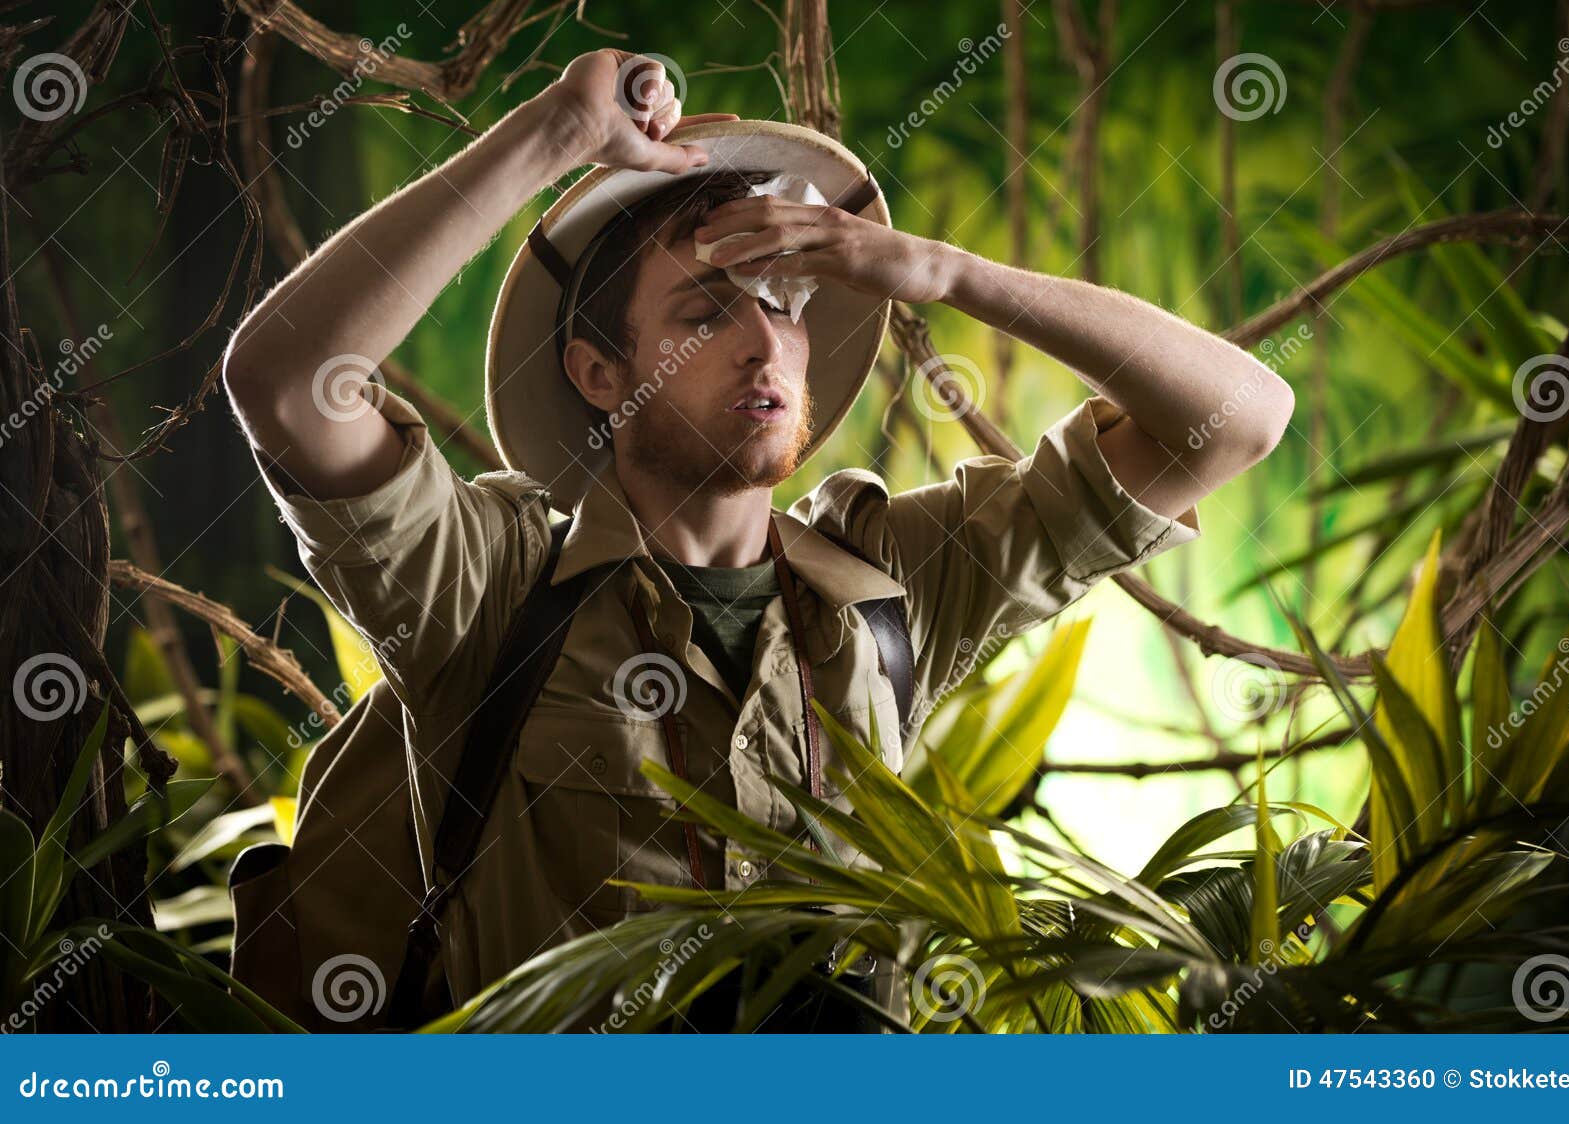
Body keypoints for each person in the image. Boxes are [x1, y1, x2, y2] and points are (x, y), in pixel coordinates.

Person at [222, 48, 1292, 1032]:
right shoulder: (490, 584)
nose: (761, 343)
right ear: (601, 375)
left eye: (783, 304)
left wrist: (942, 273)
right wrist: (552, 136)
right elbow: (283, 383)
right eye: (701, 313)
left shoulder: (891, 586)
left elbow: (1236, 419)